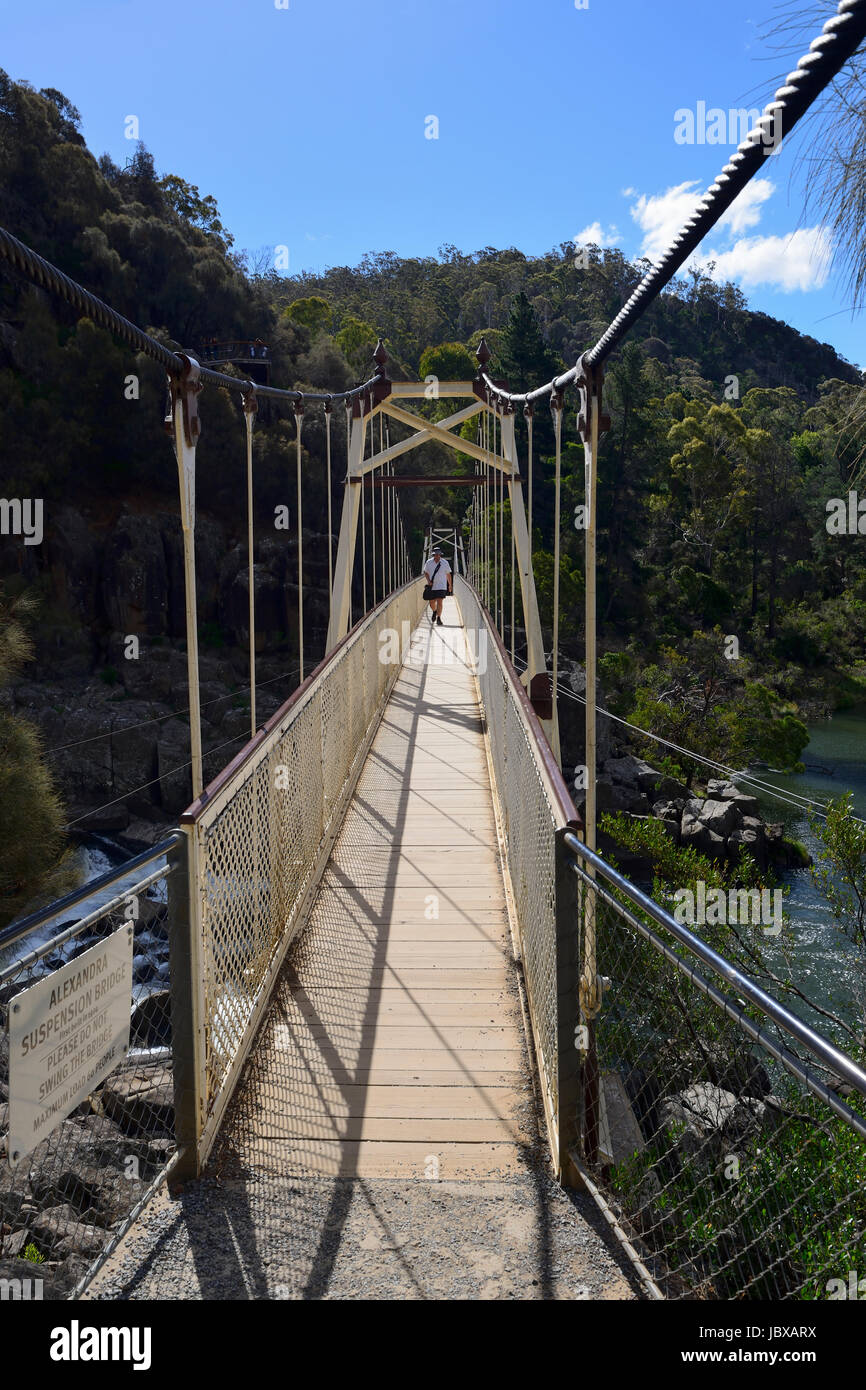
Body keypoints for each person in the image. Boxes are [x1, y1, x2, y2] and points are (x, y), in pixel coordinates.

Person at [422, 544, 452, 625]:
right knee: (432, 602)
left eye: (439, 554)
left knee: (440, 602)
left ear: (440, 554)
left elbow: (448, 574)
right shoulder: (428, 562)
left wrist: (450, 585)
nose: (437, 555)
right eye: (436, 554)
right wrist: (428, 581)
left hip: (442, 586)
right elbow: (425, 572)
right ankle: (434, 611)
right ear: (433, 555)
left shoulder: (445, 563)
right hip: (432, 586)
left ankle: (439, 618)